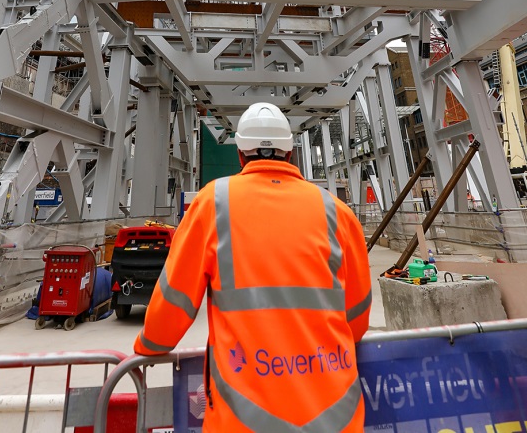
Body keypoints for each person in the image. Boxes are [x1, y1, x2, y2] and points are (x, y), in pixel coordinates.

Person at [134, 101, 372, 432]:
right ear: (290, 154)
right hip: (336, 414)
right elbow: (357, 318)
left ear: (241, 155)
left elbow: (175, 299)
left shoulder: (213, 204)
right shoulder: (337, 212)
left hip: (243, 417)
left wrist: (149, 346)